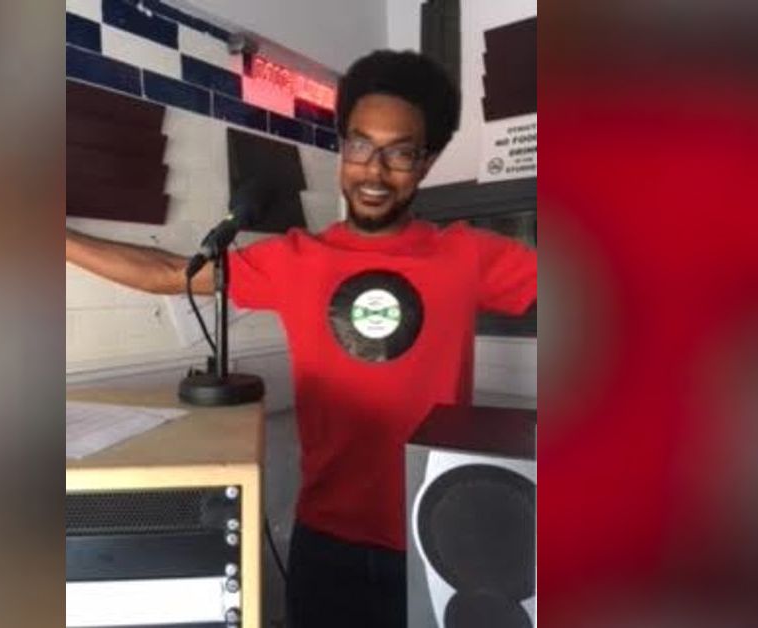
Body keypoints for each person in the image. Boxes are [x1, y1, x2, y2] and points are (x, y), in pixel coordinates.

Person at [66, 50, 536, 628]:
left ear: (426, 162)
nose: (374, 171)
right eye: (360, 145)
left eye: (400, 153)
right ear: (343, 147)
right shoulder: (295, 259)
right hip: (326, 539)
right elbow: (168, 272)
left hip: (433, 536)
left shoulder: (468, 256)